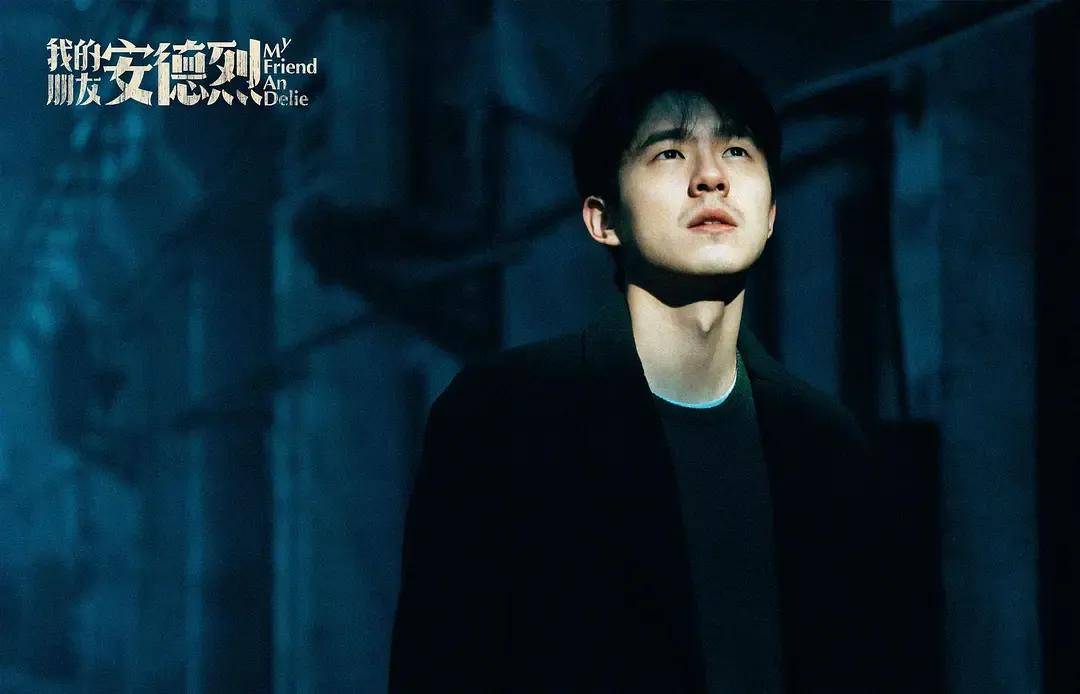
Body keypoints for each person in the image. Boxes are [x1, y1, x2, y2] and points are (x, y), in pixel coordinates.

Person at [390, 45, 911, 693]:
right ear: (603, 219)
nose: (710, 178)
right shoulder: (503, 418)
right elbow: (438, 663)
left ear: (773, 214)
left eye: (737, 151)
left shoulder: (823, 440)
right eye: (669, 153)